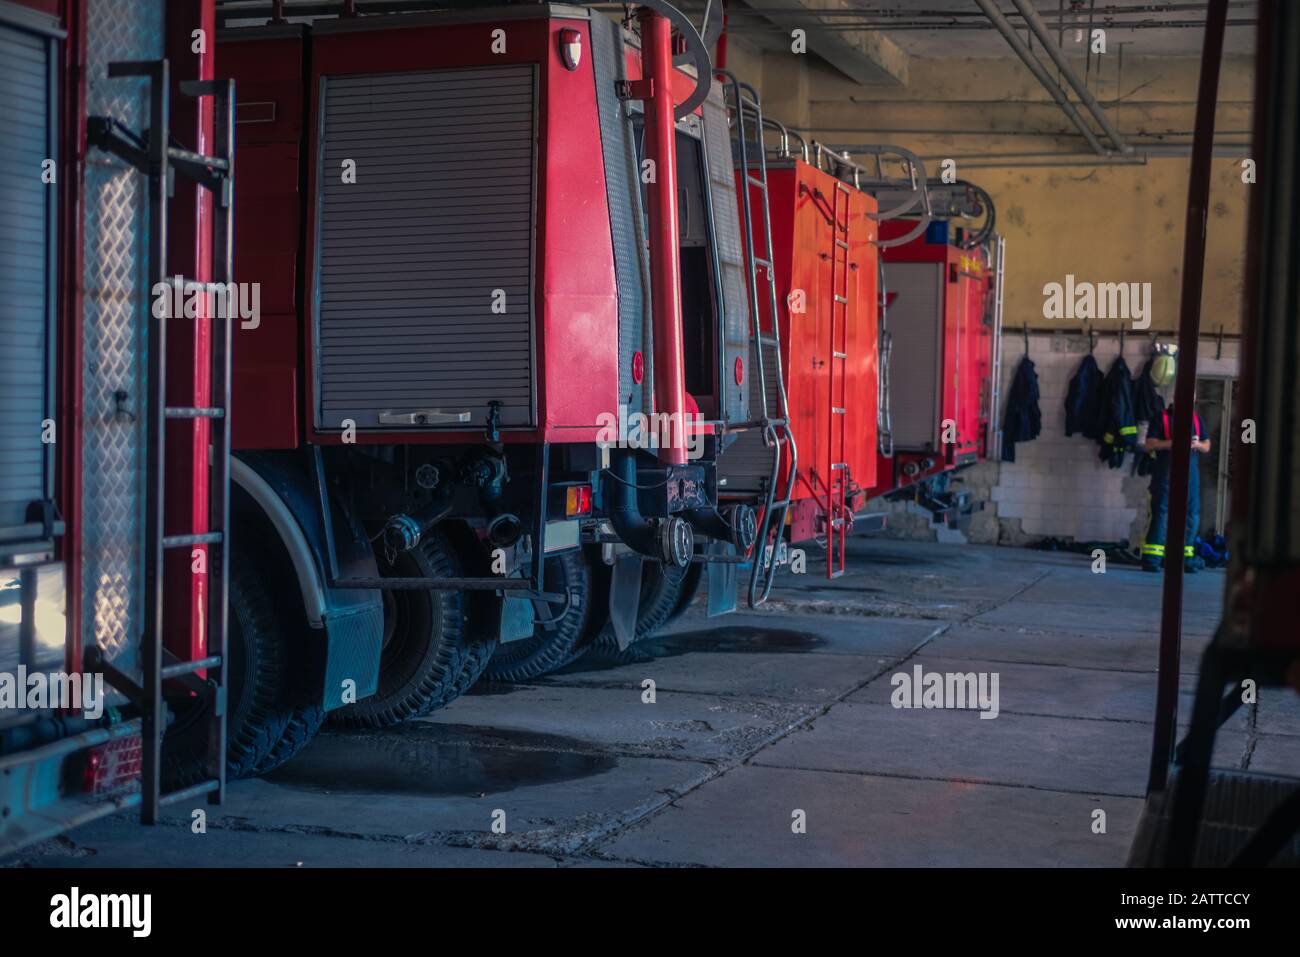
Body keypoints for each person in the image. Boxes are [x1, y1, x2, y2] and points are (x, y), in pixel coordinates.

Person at [1140, 399, 1211, 573]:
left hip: (1190, 471)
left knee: (1191, 513)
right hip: (1165, 470)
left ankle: (1184, 559)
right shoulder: (1161, 417)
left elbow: (1207, 445)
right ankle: (1152, 559)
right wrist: (1174, 442)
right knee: (1161, 511)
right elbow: (1149, 444)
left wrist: (1197, 444)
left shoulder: (1196, 419)